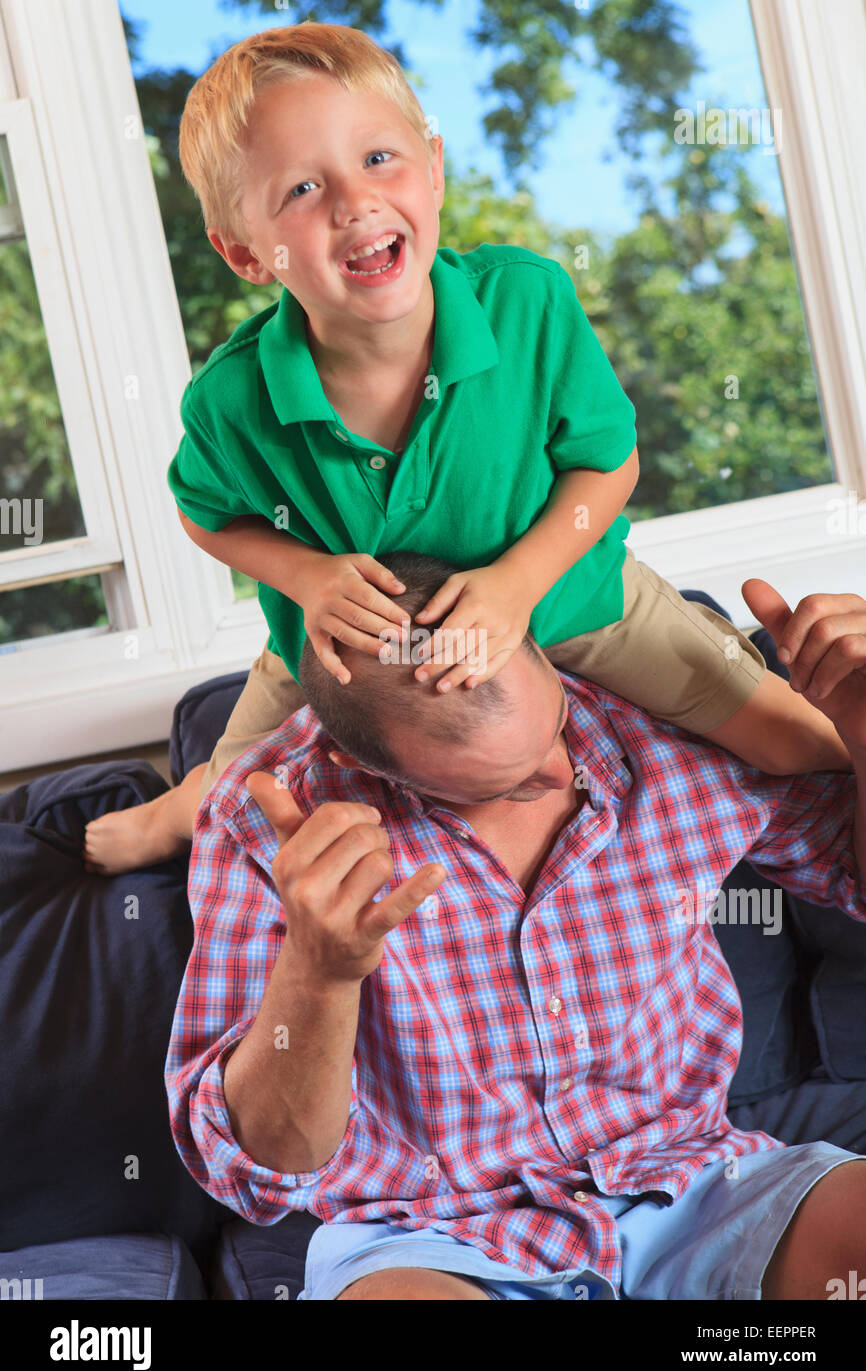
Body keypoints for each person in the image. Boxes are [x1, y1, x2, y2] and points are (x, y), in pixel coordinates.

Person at [84, 22, 849, 876]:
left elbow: (609, 465)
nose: (354, 202)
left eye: (379, 159)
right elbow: (207, 515)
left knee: (798, 743)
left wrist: (518, 587)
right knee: (236, 809)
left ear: (435, 169)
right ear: (246, 254)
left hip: (570, 595)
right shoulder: (231, 400)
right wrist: (306, 579)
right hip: (352, 653)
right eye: (301, 188)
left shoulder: (529, 301)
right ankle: (176, 808)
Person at [165, 549, 866, 1301]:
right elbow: (260, 1170)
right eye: (509, 783)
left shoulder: (660, 728)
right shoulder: (270, 817)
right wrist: (320, 971)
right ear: (364, 764)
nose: (564, 775)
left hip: (698, 1179)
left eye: (559, 726)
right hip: (430, 1237)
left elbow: (849, 874)